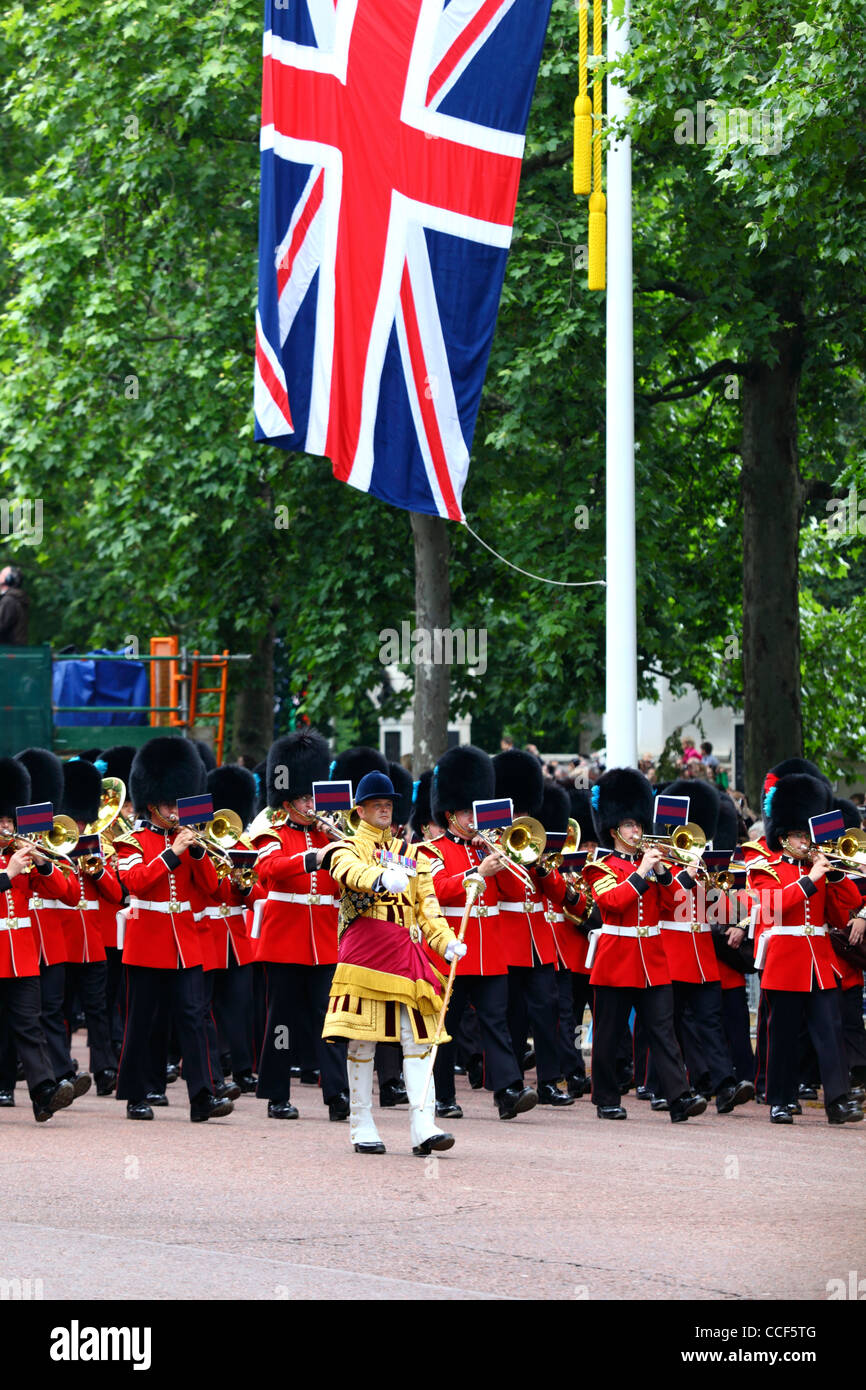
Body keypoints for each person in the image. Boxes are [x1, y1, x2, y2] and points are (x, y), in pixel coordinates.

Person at [322, 771, 465, 1156]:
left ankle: (423, 1124)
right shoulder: (346, 847)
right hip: (365, 951)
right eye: (377, 805)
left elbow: (428, 909)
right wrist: (381, 878)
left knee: (419, 1038)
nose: (384, 811)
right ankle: (361, 1123)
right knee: (363, 1039)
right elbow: (349, 874)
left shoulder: (414, 855)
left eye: (388, 805)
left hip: (405, 952)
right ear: (362, 810)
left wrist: (447, 941)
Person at [113, 737, 234, 1123]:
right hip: (147, 940)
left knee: (193, 1018)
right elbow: (134, 881)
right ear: (153, 805)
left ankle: (203, 1097)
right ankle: (136, 1094)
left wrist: (197, 854)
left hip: (186, 941)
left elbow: (213, 888)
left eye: (179, 803)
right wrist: (171, 854)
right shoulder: (132, 841)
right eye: (169, 805)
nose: (175, 811)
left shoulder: (194, 840)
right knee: (143, 1021)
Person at [417, 743, 537, 1121]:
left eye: (477, 810)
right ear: (451, 814)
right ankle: (443, 1097)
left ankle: (508, 1091)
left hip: (491, 950)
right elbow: (436, 889)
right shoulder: (429, 850)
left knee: (495, 1022)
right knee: (446, 1025)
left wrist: (508, 859)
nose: (474, 818)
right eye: (469, 812)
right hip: (452, 947)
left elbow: (519, 892)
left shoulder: (487, 847)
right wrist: (477, 873)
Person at [583, 767, 707, 1123]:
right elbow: (612, 903)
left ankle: (678, 1097)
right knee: (609, 1033)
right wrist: (641, 873)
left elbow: (674, 904)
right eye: (629, 826)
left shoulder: (655, 865)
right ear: (613, 830)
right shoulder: (600, 866)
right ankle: (606, 1097)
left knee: (663, 1032)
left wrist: (666, 874)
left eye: (638, 824)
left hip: (651, 957)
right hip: (616, 956)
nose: (636, 831)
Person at [749, 772, 862, 1126]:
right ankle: (780, 1100)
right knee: (782, 1036)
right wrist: (810, 879)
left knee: (830, 1033)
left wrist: (838, 874)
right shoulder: (765, 870)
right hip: (785, 959)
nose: (805, 840)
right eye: (799, 835)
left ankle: (838, 1101)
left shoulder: (821, 869)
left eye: (806, 834)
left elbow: (844, 910)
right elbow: (774, 905)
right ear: (783, 837)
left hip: (820, 960)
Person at [252, 730, 349, 1121]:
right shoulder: (271, 832)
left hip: (324, 937)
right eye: (307, 799)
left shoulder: (332, 833)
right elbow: (270, 869)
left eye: (314, 797)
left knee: (330, 1017)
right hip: (285, 937)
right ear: (289, 800)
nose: (313, 805)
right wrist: (314, 855)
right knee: (283, 1021)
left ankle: (337, 1093)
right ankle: (277, 1094)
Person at [492, 749, 574, 1108]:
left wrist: (543, 868)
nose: (521, 818)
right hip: (507, 939)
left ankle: (549, 1082)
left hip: (538, 941)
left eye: (525, 811)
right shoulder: (492, 846)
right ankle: (509, 1083)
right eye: (517, 811)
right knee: (510, 1015)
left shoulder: (534, 843)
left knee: (547, 1012)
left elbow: (558, 894)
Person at [0, 756, 75, 1121]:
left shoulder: (22, 855)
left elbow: (67, 893)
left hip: (22, 956)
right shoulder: (11, 863)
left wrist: (44, 863)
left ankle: (43, 1091)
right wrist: (9, 872)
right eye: (1, 821)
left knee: (30, 1025)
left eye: (9, 820)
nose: (6, 827)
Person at [0, 566, 29, 645]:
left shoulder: (9, 601)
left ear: (9, 579)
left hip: (7, 653)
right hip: (13, 652)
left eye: (1, 574)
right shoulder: (15, 599)